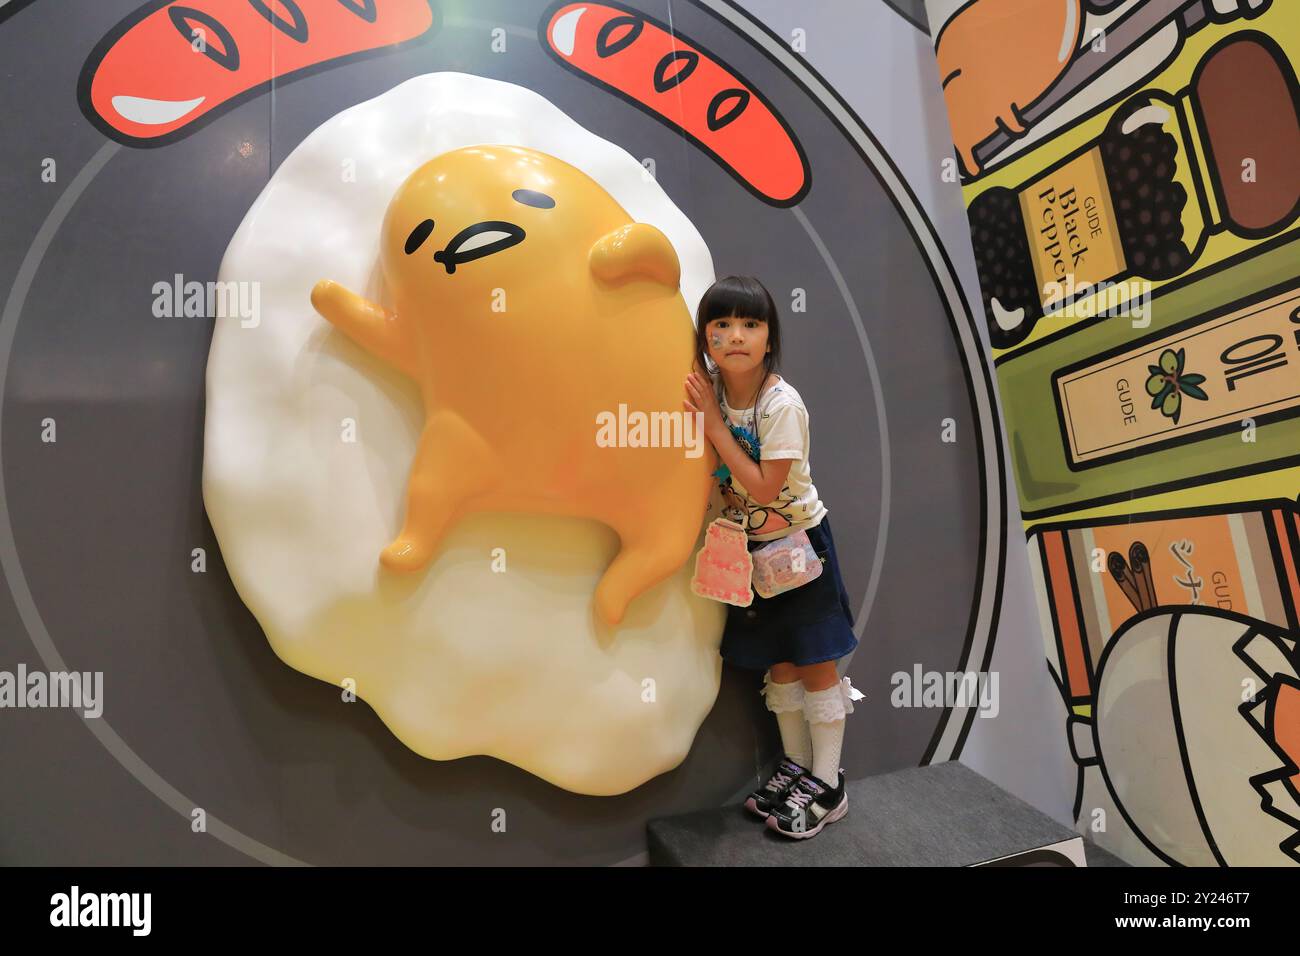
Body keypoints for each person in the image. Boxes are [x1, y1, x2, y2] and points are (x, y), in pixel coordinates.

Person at [683, 275, 861, 840]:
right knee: (777, 662)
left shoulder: (781, 404)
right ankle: (793, 766)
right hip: (749, 553)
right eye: (722, 324)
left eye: (751, 324)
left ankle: (828, 784)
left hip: (800, 548)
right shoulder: (709, 387)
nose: (736, 336)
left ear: (769, 338)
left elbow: (763, 487)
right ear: (705, 337)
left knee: (814, 661)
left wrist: (713, 424)